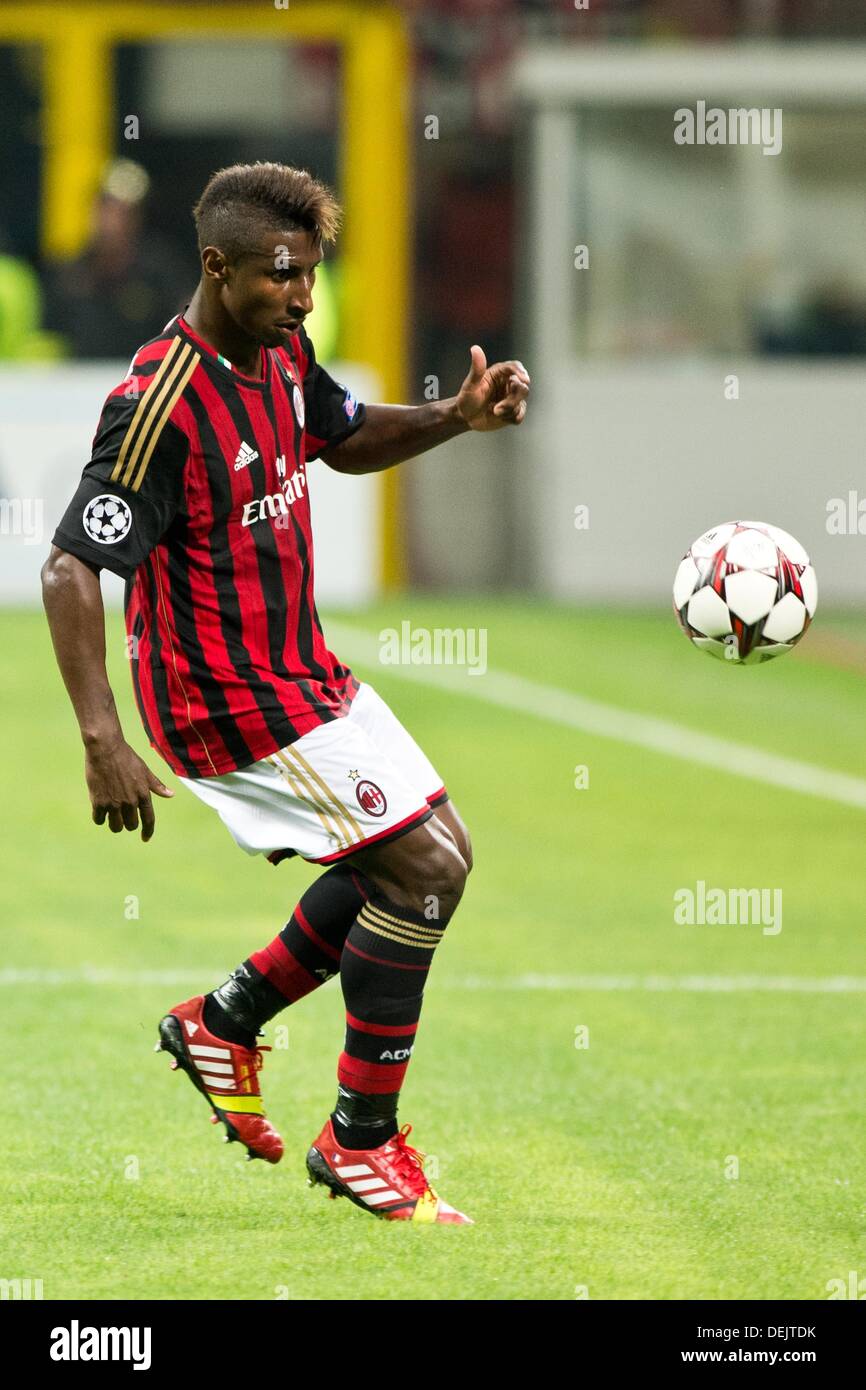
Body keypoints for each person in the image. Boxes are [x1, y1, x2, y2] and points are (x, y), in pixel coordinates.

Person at [41, 161, 530, 1225]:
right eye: (282, 275)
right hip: (224, 696)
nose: (303, 296)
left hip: (299, 671)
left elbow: (341, 437)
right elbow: (70, 567)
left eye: (310, 274)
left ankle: (226, 1019)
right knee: (425, 870)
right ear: (216, 266)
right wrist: (99, 738)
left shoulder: (279, 351)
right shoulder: (155, 407)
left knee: (424, 850)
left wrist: (455, 413)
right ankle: (358, 1142)